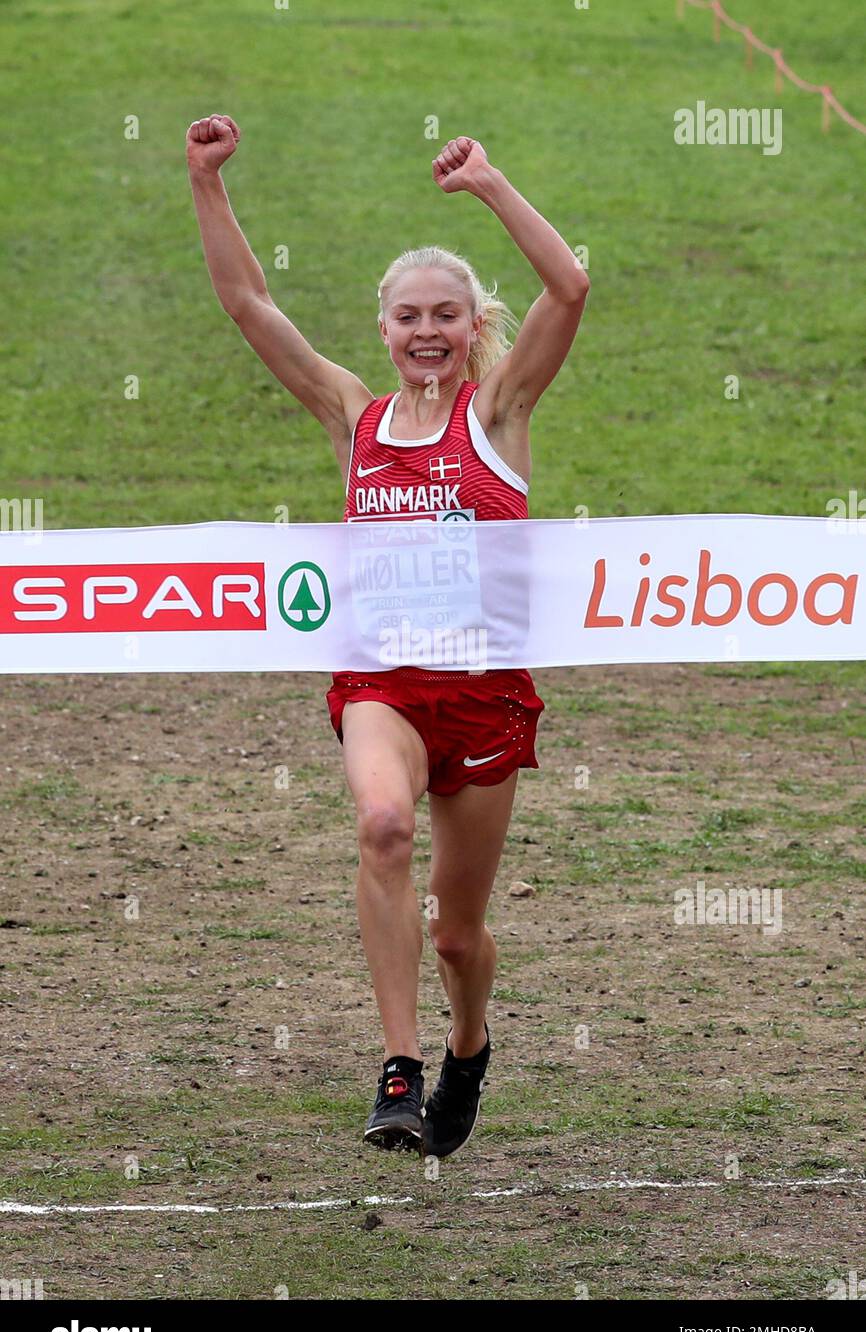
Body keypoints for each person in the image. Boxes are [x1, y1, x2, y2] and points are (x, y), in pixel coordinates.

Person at [187, 115, 590, 1158]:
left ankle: (466, 1045)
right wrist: (207, 182)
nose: (425, 330)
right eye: (407, 314)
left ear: (469, 327)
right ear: (381, 329)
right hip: (381, 682)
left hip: (486, 692)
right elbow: (247, 305)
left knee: (459, 932)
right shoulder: (352, 417)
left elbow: (569, 291)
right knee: (379, 826)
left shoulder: (497, 412)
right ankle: (400, 1068)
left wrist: (493, 185)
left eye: (444, 316)